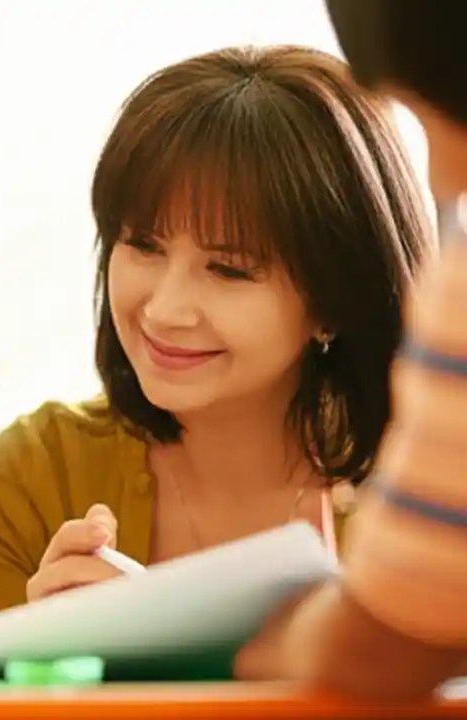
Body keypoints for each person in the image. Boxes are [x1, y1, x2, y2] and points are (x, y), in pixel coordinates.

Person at [0, 45, 431, 624]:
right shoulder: (33, 479)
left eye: (228, 269)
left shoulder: (431, 494)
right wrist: (47, 655)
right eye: (143, 244)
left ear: (334, 298)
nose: (164, 309)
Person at [234, 1, 467, 698]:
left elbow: (382, 649)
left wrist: (253, 643)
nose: (442, 179)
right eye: (142, 244)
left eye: (231, 268)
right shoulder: (37, 464)